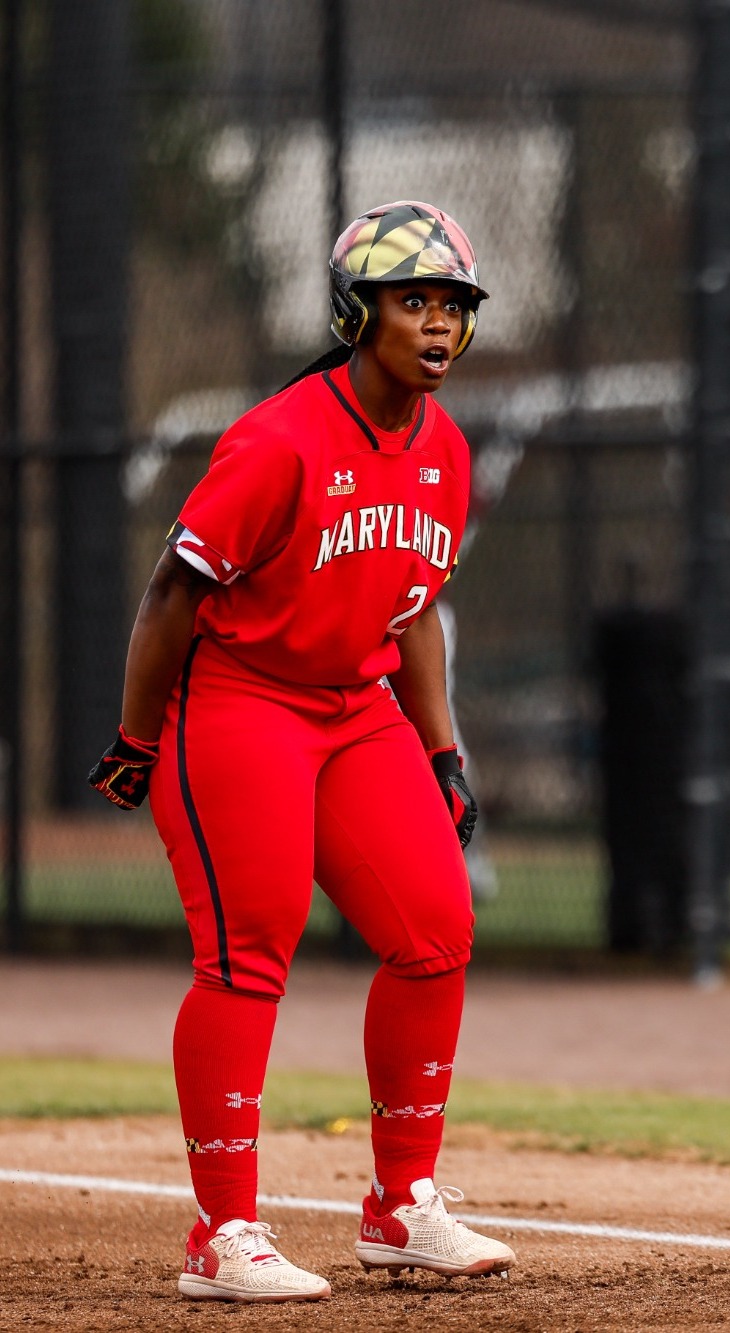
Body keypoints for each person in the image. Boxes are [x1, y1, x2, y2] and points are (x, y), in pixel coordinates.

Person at [88, 200, 516, 1302]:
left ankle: (400, 1209)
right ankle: (222, 1235)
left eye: (452, 307)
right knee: (249, 951)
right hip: (238, 700)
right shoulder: (279, 438)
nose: (436, 326)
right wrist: (140, 738)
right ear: (353, 311)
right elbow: (172, 591)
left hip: (356, 708)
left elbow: (413, 607)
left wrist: (442, 749)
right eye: (412, 301)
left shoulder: (447, 451)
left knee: (435, 930)